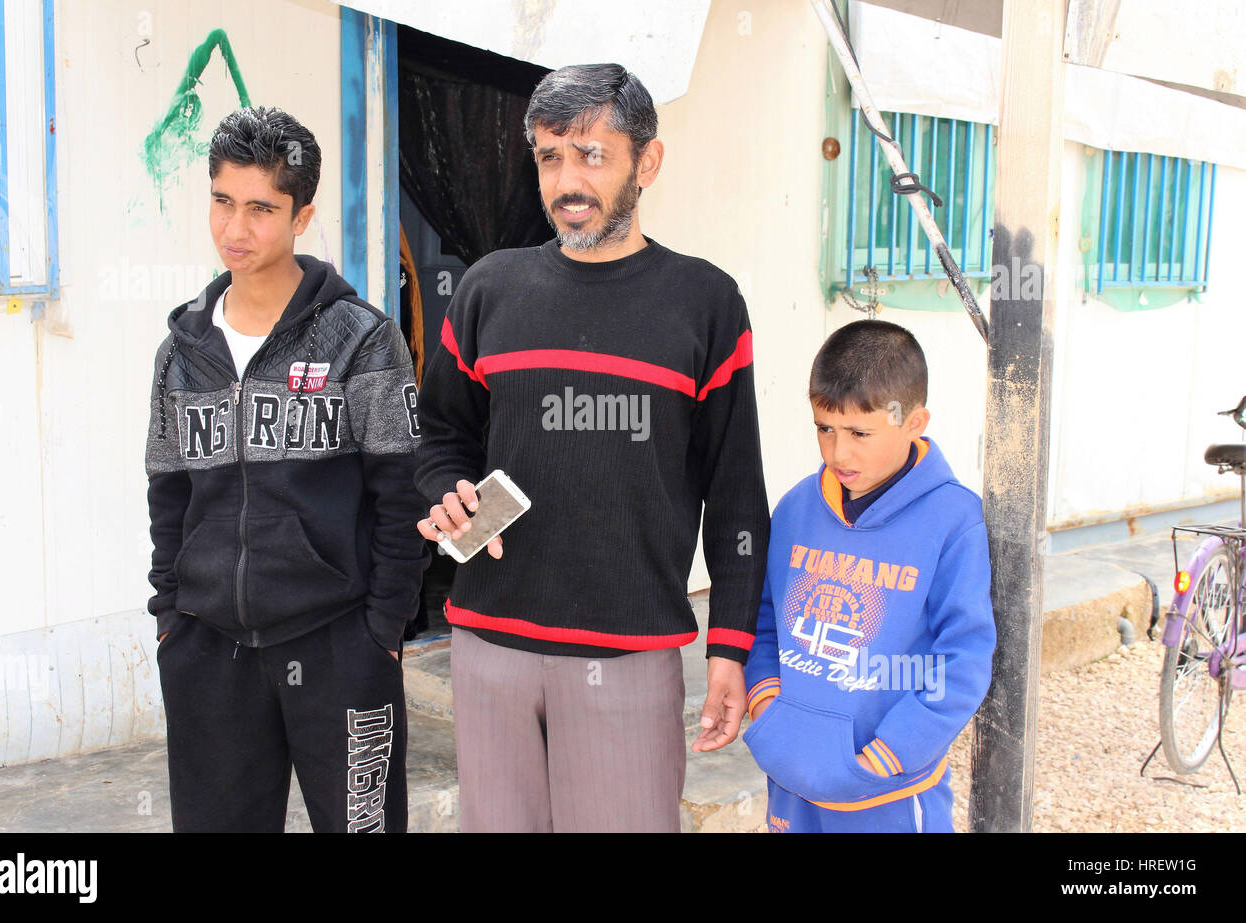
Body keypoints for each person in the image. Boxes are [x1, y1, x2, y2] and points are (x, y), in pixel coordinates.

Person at [413, 64, 770, 832]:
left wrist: (731, 647)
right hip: (488, 646)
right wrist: (445, 489)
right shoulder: (487, 290)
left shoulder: (705, 303)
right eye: (550, 157)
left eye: (591, 155)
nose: (568, 180)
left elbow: (736, 491)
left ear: (647, 162)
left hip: (629, 650)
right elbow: (441, 434)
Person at [145, 106, 427, 833]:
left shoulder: (360, 339)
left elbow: (400, 494)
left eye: (262, 209)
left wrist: (382, 633)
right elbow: (168, 495)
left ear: (302, 215)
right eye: (223, 202)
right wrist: (171, 620)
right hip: (209, 654)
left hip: (339, 649)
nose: (237, 230)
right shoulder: (182, 351)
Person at [743, 319, 996, 833]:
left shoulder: (953, 521)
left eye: (860, 432)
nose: (839, 452)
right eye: (824, 428)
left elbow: (963, 657)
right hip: (791, 782)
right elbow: (765, 619)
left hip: (886, 793)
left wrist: (890, 752)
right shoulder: (796, 509)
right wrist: (768, 705)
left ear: (914, 422)